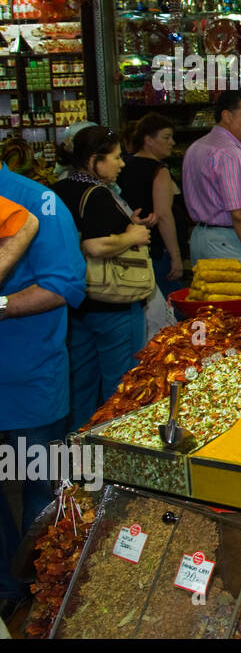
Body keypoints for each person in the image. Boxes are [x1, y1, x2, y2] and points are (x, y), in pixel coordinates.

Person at [0, 161, 86, 609]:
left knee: (39, 485)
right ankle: (7, 589)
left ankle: (44, 593)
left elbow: (64, 285)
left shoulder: (38, 201)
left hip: (27, 375)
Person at [51, 126, 153, 430]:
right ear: (95, 159)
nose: (122, 164)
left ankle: (80, 459)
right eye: (116, 157)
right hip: (113, 304)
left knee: (81, 385)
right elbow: (95, 245)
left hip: (77, 305)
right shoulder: (96, 194)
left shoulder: (58, 191)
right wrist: (133, 234)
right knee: (119, 387)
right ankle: (114, 455)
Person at [182, 90, 241, 282]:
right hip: (231, 242)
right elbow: (239, 214)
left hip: (201, 238)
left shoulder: (196, 147)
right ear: (227, 116)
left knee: (214, 307)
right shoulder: (230, 154)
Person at [119, 113, 185, 297]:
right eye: (166, 137)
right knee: (170, 304)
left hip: (130, 248)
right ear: (148, 140)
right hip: (156, 248)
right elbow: (164, 215)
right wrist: (176, 256)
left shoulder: (122, 164)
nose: (172, 142)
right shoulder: (158, 169)